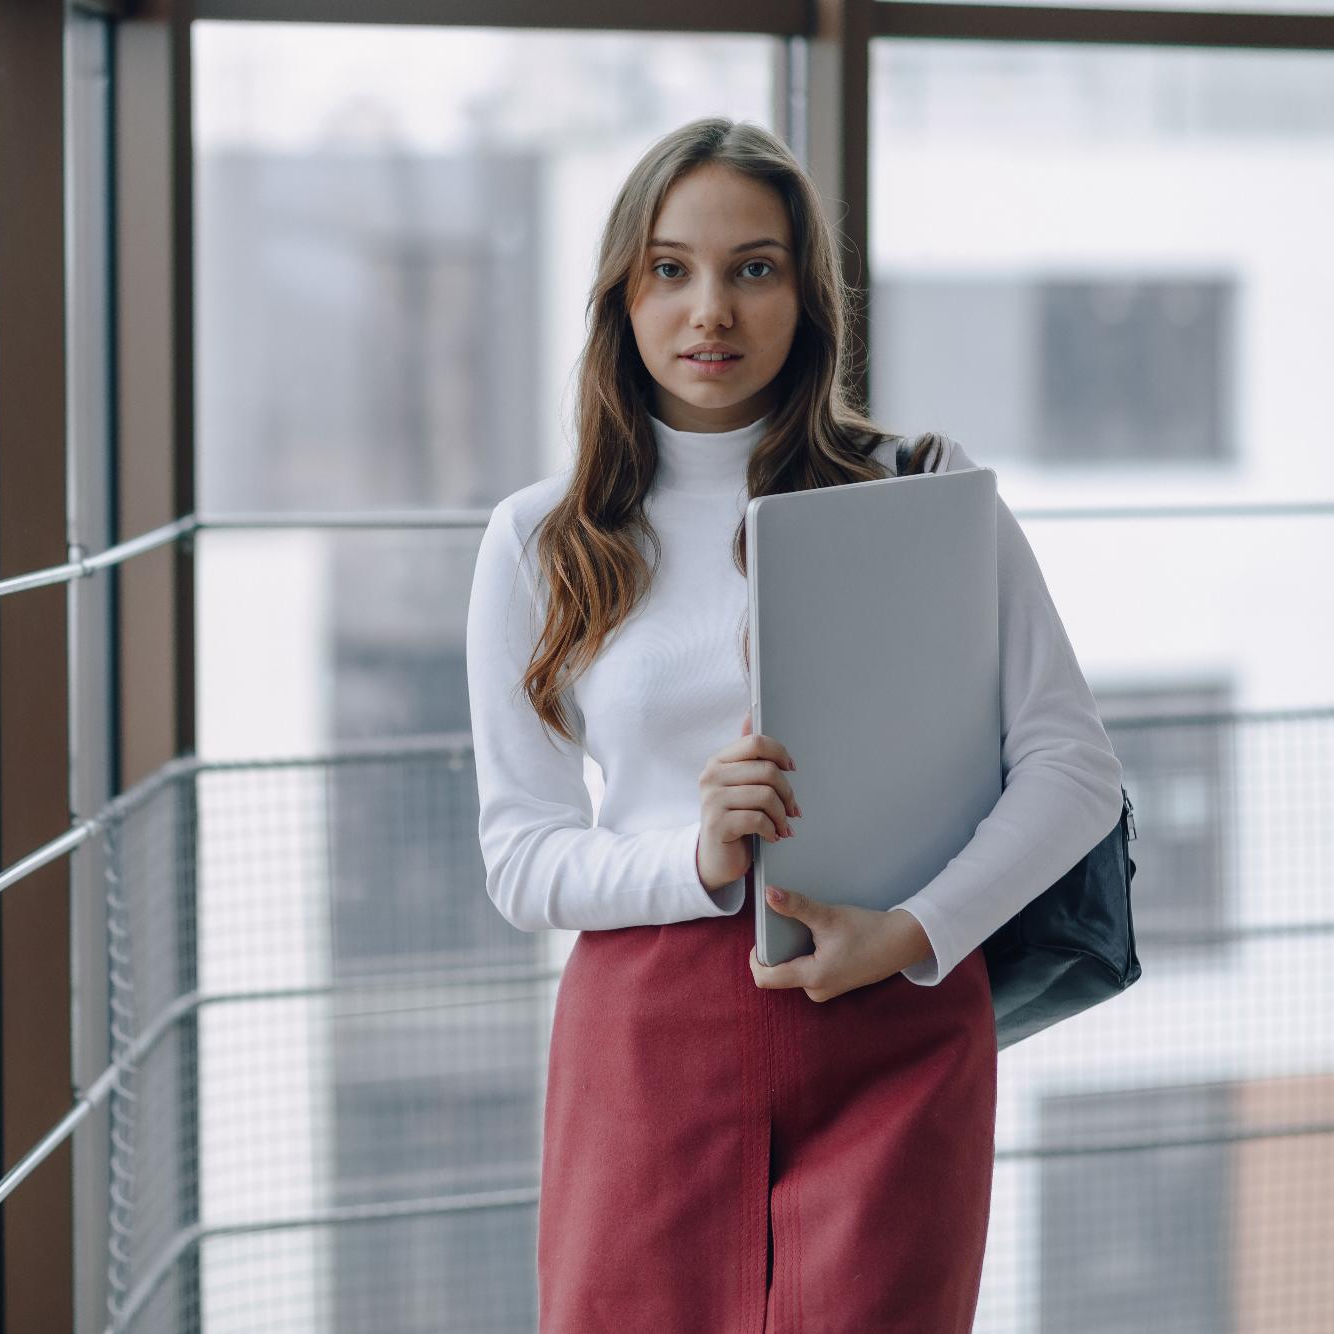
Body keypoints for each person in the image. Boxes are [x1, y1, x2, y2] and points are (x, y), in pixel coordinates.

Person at [462, 117, 1124, 1332]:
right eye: (670, 268)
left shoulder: (915, 483)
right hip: (648, 1026)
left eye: (751, 268)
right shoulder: (541, 535)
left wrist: (918, 931)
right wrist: (695, 856)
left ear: (805, 296)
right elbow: (519, 854)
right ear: (621, 292)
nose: (708, 308)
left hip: (892, 1004)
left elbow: (1071, 764)